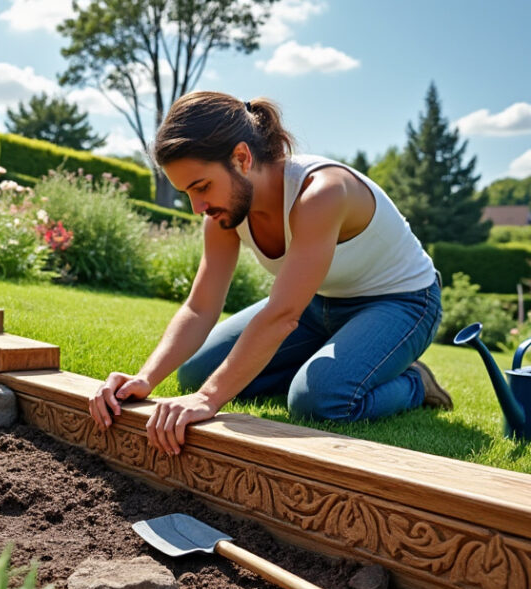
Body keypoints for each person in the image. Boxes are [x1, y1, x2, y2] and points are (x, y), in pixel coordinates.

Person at [88, 91, 452, 456]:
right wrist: (145, 378)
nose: (198, 207)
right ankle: (323, 362)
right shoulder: (222, 214)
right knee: (195, 372)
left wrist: (207, 399)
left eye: (201, 187)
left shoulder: (321, 192)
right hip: (317, 302)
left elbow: (281, 315)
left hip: (401, 303)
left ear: (242, 158)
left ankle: (414, 383)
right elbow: (200, 307)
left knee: (319, 400)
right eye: (187, 193)